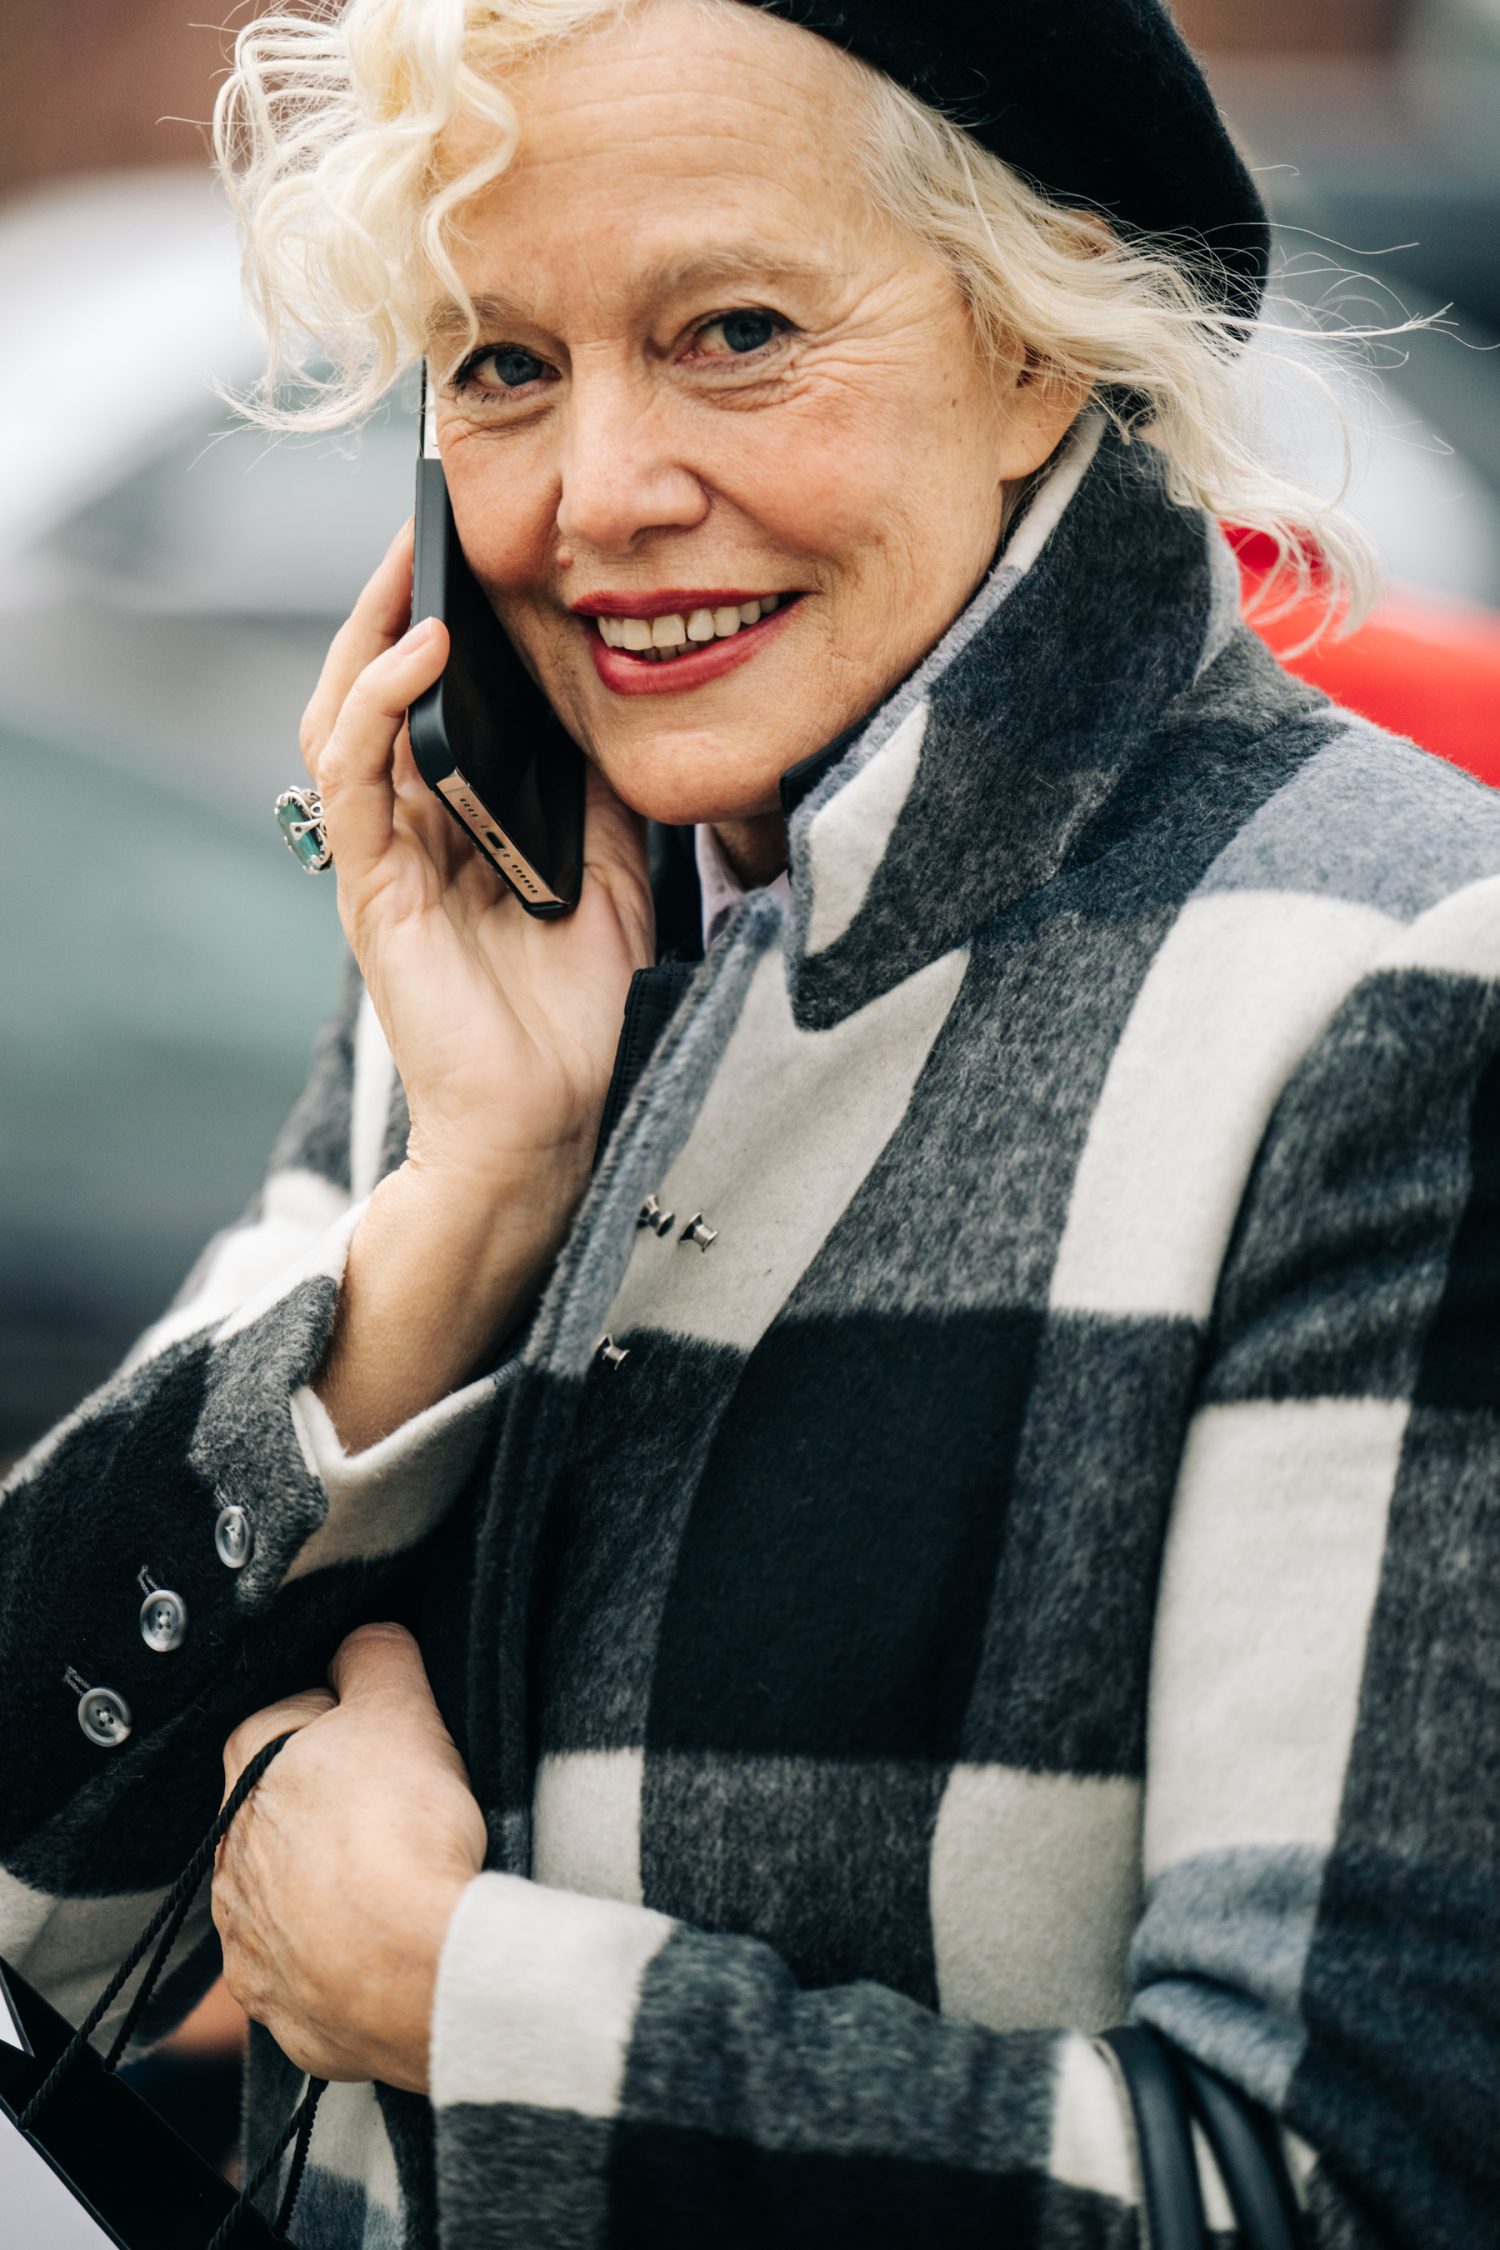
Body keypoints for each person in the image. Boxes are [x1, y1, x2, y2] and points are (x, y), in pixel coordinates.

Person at [3, 0, 1497, 2243]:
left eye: (731, 332)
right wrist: (458, 1223)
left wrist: (453, 2000)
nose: (600, 495)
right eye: (502, 366)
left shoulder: (1390, 1001)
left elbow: (1332, 2189)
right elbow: (39, 1923)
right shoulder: (507, 943)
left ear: (1030, 343)